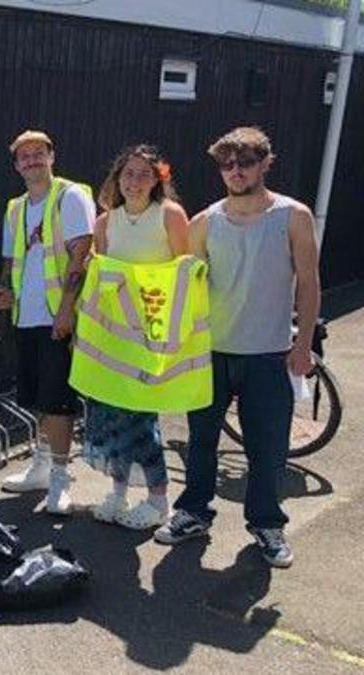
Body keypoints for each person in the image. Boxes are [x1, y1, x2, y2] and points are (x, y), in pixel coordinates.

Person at [155, 127, 320, 568]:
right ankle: (193, 511)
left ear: (266, 162)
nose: (235, 171)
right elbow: (185, 286)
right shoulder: (205, 221)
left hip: (268, 352)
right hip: (211, 352)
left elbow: (308, 283)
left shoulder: (293, 215)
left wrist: (302, 344)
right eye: (227, 164)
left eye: (245, 162)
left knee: (267, 449)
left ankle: (267, 524)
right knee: (201, 439)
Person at [85, 145, 189, 530]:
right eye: (128, 173)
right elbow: (102, 278)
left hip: (151, 335)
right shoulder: (105, 222)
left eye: (143, 174)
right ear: (117, 178)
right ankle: (118, 490)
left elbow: (186, 272)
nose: (134, 181)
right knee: (110, 414)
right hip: (113, 336)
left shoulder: (170, 216)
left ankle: (159, 498)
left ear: (158, 178)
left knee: (141, 416)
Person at [0, 130, 96, 515]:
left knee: (58, 400)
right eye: (24, 156)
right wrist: (5, 289)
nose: (32, 160)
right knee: (35, 395)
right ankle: (40, 465)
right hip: (26, 315)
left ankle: (59, 477)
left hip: (58, 316)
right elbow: (10, 259)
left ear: (52, 156)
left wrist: (67, 309)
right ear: (16, 164)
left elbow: (81, 255)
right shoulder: (16, 207)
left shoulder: (69, 197)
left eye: (39, 153)